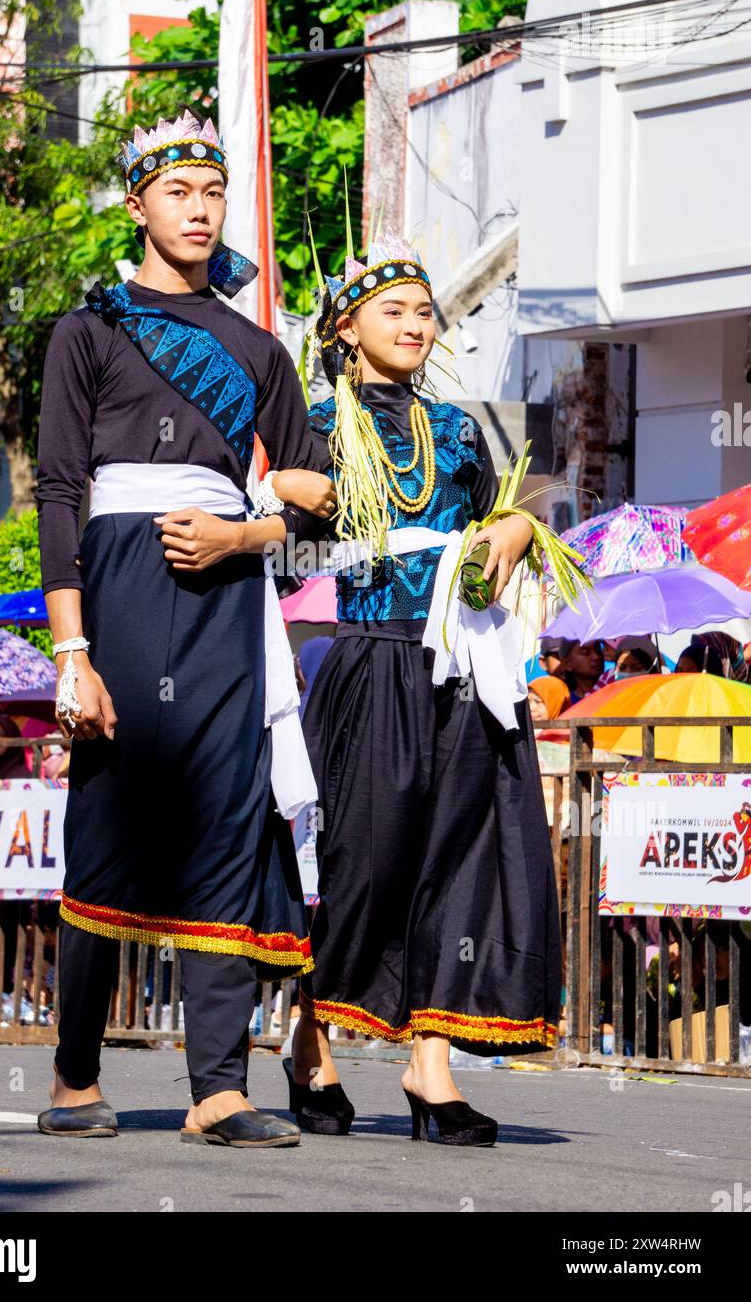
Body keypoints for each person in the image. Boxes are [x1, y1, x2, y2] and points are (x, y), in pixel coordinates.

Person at [33, 109, 334, 1147]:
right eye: (177, 193)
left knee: (224, 819)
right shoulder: (90, 331)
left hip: (221, 605)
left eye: (212, 193)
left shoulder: (259, 349)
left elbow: (317, 507)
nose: (198, 210)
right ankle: (76, 1075)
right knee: (104, 823)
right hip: (115, 597)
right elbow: (60, 491)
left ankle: (218, 1087)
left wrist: (240, 532)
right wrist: (71, 653)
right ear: (138, 205)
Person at [267, 226, 564, 1146]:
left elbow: (509, 513)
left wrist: (515, 530)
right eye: (393, 311)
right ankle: (310, 1039)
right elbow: (287, 555)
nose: (415, 326)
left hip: (463, 667)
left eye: (425, 314)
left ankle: (428, 1067)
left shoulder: (457, 428)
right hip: (370, 659)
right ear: (347, 326)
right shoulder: (315, 422)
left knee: (462, 865)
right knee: (365, 867)